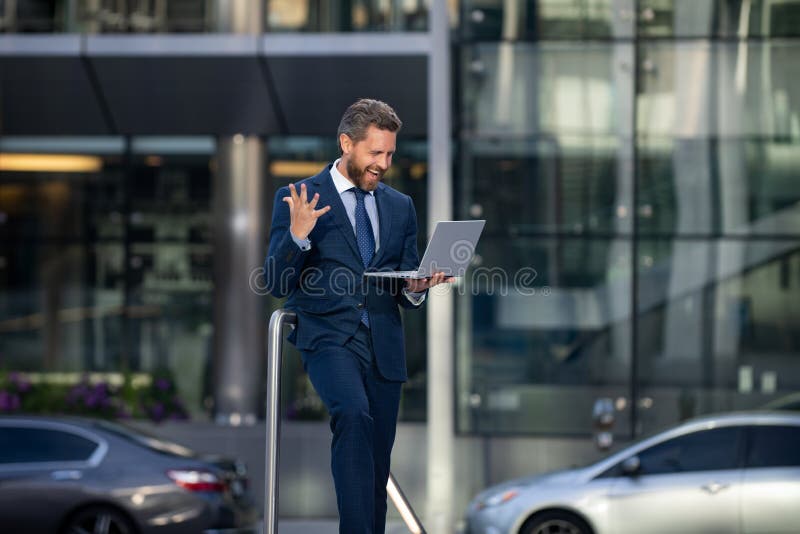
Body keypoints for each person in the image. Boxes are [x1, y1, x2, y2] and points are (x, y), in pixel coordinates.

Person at [263, 98, 452, 533]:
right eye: (375, 153)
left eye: (389, 154)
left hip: (383, 345)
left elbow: (401, 283)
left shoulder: (400, 206)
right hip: (329, 338)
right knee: (351, 412)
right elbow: (275, 282)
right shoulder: (298, 198)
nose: (384, 163)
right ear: (347, 143)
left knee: (376, 462)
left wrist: (417, 288)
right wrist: (297, 235)